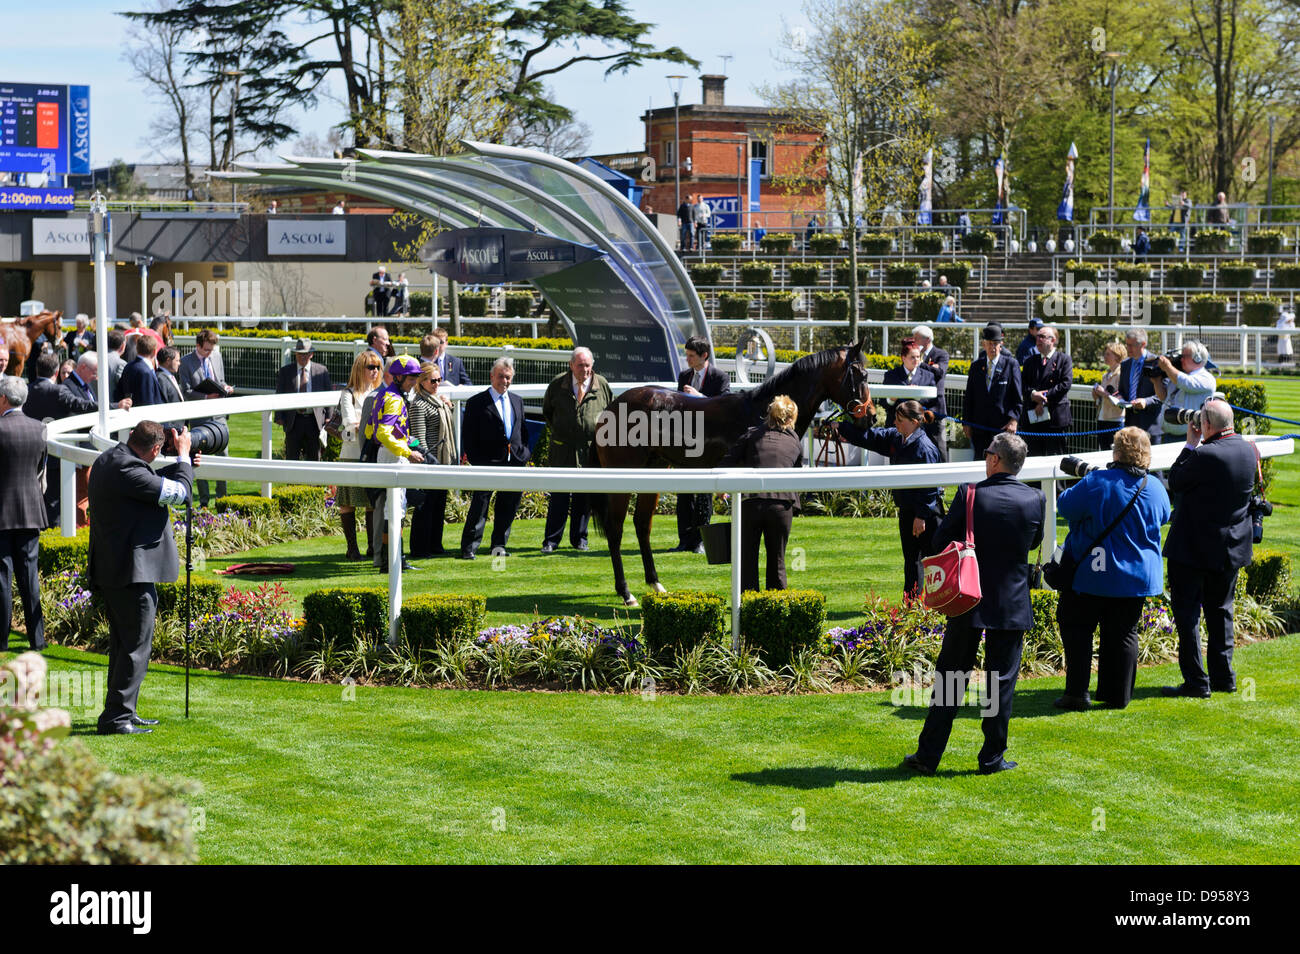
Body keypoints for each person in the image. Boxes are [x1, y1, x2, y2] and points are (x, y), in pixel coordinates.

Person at [902, 433, 1044, 776]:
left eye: (987, 452)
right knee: (1001, 683)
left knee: (950, 678)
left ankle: (928, 756)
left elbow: (939, 541)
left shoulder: (970, 494)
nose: (985, 457)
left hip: (968, 598)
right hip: (1011, 601)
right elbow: (1034, 541)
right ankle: (992, 758)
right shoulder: (1036, 498)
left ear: (995, 460)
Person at [1054, 427, 1172, 710]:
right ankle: (1117, 694)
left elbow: (1065, 506)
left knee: (1078, 628)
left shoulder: (1098, 481)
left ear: (1117, 452)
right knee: (1124, 633)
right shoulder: (1155, 487)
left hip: (1094, 573)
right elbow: (1165, 515)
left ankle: (1077, 692)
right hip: (1136, 577)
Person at [90, 421, 195, 735]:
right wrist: (184, 458)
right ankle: (115, 718)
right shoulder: (130, 471)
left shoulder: (113, 459)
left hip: (116, 568)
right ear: (155, 449)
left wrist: (181, 464)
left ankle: (125, 711)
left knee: (125, 644)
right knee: (136, 645)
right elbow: (181, 495)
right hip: (129, 572)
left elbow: (150, 485)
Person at [1161, 399, 1256, 698]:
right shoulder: (1248, 449)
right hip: (1230, 547)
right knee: (1220, 613)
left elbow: (1175, 480)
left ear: (1207, 426)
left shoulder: (1204, 455)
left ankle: (1196, 682)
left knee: (1188, 617)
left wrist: (1190, 445)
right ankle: (1223, 678)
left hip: (1192, 550)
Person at [837, 400, 943, 598]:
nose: (895, 423)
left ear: (915, 422)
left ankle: (939, 603)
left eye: (900, 420)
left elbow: (930, 487)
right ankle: (911, 605)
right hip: (908, 509)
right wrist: (841, 427)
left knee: (932, 561)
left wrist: (921, 516)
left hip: (927, 513)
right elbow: (871, 438)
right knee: (911, 560)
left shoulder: (925, 448)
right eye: (895, 419)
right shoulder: (897, 437)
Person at [719, 395, 805, 592]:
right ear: (791, 418)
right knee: (778, 562)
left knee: (747, 561)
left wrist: (721, 489)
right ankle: (776, 612)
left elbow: (726, 462)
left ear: (769, 414)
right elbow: (797, 473)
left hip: (751, 503)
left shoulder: (752, 434)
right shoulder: (795, 441)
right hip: (782, 506)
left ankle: (747, 611)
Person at [541, 347, 613, 554]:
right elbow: (548, 413)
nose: (585, 370)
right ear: (571, 365)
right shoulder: (558, 384)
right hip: (563, 451)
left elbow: (610, 413)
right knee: (559, 497)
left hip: (590, 451)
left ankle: (579, 539)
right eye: (580, 365)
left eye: (588, 365)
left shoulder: (602, 385)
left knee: (584, 498)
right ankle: (551, 541)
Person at [459, 357, 530, 559]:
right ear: (492, 377)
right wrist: (477, 460)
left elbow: (522, 431)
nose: (504, 381)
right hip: (486, 463)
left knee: (508, 507)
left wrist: (524, 454)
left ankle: (498, 545)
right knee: (479, 506)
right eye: (501, 377)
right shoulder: (477, 402)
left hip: (514, 462)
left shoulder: (517, 400)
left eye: (508, 378)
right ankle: (469, 548)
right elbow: (469, 437)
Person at [363, 355, 425, 571]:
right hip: (392, 456)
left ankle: (393, 559)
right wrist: (406, 451)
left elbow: (371, 430)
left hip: (387, 453)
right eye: (410, 379)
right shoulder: (395, 398)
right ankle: (394, 560)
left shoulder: (384, 394)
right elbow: (382, 432)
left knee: (394, 510)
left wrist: (405, 439)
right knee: (395, 510)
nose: (413, 383)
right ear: (398, 377)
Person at [0, 375, 47, 654]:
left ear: (4, 398)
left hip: (2, 512)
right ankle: (37, 639)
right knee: (29, 578)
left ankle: (2, 641)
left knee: (2, 579)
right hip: (30, 509)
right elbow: (40, 467)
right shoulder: (40, 428)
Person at [675, 335, 731, 553]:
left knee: (704, 493)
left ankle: (701, 541)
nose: (687, 359)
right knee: (684, 492)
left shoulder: (720, 377)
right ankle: (684, 540)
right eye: (687, 355)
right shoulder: (684, 376)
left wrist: (700, 396)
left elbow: (725, 408)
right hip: (687, 441)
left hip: (709, 442)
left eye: (691, 356)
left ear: (704, 356)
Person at [178, 329, 234, 506]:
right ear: (198, 346)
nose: (210, 353)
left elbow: (221, 380)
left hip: (219, 415)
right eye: (206, 350)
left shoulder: (216, 356)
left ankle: (222, 500)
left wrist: (226, 388)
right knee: (199, 459)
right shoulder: (186, 362)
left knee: (223, 457)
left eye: (211, 349)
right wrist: (205, 397)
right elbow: (186, 392)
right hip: (199, 417)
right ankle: (203, 502)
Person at [335, 351, 382, 561]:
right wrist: (371, 425)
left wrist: (365, 424)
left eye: (377, 367)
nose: (375, 371)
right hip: (351, 454)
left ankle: (372, 547)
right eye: (370, 367)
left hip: (372, 454)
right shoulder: (348, 394)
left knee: (371, 502)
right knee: (348, 502)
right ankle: (352, 548)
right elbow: (349, 422)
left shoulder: (380, 392)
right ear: (360, 369)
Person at [407, 361, 457, 559]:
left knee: (439, 505)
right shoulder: (419, 404)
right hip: (429, 462)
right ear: (422, 381)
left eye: (439, 379)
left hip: (441, 461)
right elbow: (418, 438)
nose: (437, 383)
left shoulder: (439, 401)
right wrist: (430, 462)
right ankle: (420, 548)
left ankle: (435, 544)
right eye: (433, 380)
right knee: (425, 507)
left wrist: (449, 408)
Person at [1134, 340, 1215, 444]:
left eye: (1185, 356)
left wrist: (1168, 367)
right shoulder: (1178, 376)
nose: (1181, 359)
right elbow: (1164, 397)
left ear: (1197, 358)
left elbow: (1186, 383)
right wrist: (1156, 381)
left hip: (1193, 437)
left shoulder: (1206, 378)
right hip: (1168, 435)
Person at [962, 323, 1022, 459]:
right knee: (979, 460)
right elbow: (969, 396)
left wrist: (1014, 420)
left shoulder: (1011, 364)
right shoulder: (976, 366)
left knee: (1000, 461)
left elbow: (1017, 396)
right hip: (979, 426)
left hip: (1002, 426)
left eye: (995, 343)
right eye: (989, 343)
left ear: (1001, 344)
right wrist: (966, 422)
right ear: (984, 344)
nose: (992, 347)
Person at [274, 338, 333, 462]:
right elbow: (279, 394)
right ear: (295, 353)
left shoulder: (321, 371)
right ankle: (292, 482)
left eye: (305, 354)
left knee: (314, 458)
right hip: (293, 421)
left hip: (314, 420)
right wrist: (278, 416)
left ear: (311, 354)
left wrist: (328, 417)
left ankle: (314, 482)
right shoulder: (286, 372)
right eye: (300, 353)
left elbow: (329, 394)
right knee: (292, 457)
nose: (302, 357)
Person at [1020, 324, 1073, 458]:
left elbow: (1065, 384)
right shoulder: (1030, 361)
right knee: (1034, 458)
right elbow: (1023, 384)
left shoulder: (1064, 360)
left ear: (1053, 340)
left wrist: (1042, 399)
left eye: (1043, 337)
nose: (1038, 339)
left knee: (1056, 459)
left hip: (1055, 419)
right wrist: (1033, 394)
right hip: (1033, 421)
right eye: (1037, 336)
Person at [881, 339, 940, 429]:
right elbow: (883, 403)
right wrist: (891, 399)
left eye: (918, 356)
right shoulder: (891, 375)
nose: (916, 360)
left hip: (919, 426)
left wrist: (918, 396)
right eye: (912, 357)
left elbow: (934, 402)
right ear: (903, 358)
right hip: (894, 425)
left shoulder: (928, 376)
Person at [911, 325, 949, 460]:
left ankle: (944, 477)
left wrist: (921, 364)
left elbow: (939, 373)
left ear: (927, 340)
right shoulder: (914, 355)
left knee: (938, 444)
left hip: (935, 408)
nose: (913, 341)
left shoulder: (941, 354)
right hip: (918, 408)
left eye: (916, 338)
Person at [1117, 329, 1158, 438]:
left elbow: (1164, 395)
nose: (1128, 349)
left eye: (1132, 345)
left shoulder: (1156, 363)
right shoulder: (1125, 364)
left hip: (1150, 426)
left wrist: (1146, 401)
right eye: (1127, 345)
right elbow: (1122, 390)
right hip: (1130, 426)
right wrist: (1119, 396)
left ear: (1143, 344)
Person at [114, 333, 165, 408]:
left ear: (137, 349)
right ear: (154, 352)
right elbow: (147, 402)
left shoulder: (128, 366)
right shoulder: (145, 372)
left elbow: (120, 392)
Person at [1092, 341, 1127, 451]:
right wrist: (1096, 396)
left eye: (1108, 354)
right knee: (1103, 451)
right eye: (1105, 353)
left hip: (1115, 420)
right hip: (1102, 418)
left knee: (1115, 452)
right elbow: (1102, 399)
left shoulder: (1122, 375)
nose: (1105, 356)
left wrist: (1103, 393)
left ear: (1117, 355)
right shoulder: (1105, 375)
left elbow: (1121, 401)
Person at [105, 329, 128, 398]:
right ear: (123, 345)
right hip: (113, 405)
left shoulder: (93, 358)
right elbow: (125, 388)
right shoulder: (121, 364)